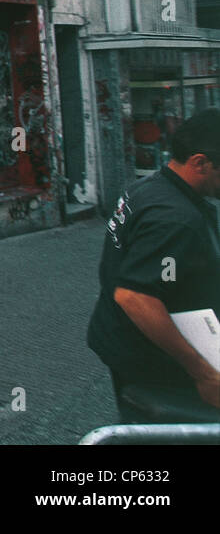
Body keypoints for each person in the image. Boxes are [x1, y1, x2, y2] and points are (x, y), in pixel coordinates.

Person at [87, 107, 220, 424]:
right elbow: (135, 296)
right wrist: (203, 373)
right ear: (199, 162)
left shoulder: (146, 187)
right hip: (152, 355)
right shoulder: (176, 219)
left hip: (121, 340)